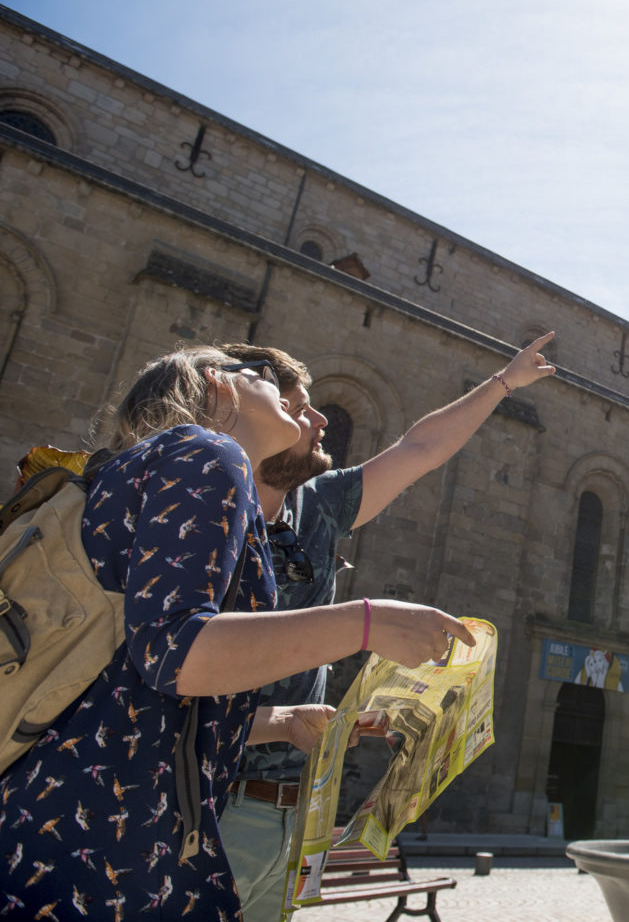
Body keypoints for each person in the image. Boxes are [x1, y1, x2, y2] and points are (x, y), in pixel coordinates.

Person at [0, 346, 470, 918]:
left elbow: (138, 685)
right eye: (269, 380)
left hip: (70, 816)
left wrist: (280, 721)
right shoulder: (208, 450)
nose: (303, 411)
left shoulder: (165, 468)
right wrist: (365, 622)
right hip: (105, 839)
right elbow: (177, 653)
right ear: (218, 386)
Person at [217, 332, 556, 919]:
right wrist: (283, 719)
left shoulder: (316, 506)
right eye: (298, 408)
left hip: (296, 813)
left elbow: (419, 448)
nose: (320, 419)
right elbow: (164, 677)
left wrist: (504, 383)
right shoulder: (203, 515)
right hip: (213, 804)